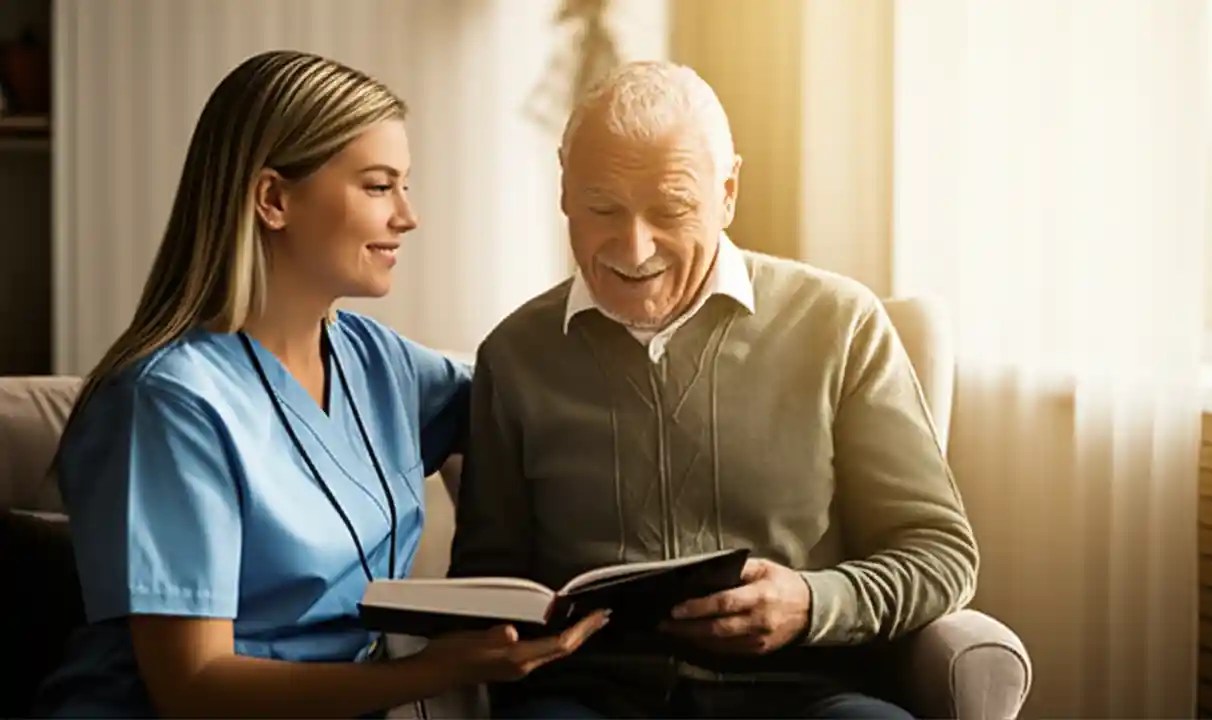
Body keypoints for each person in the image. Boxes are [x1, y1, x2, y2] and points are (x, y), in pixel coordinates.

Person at [33, 50, 607, 719]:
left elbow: (531, 399)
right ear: (273, 200)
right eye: (378, 186)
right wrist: (431, 672)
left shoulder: (377, 362)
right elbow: (192, 687)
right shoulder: (170, 403)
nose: (407, 216)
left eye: (405, 185)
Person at [449, 60, 980, 719]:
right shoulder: (514, 356)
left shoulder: (840, 324)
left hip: (805, 693)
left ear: (727, 192)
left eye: (671, 210)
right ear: (564, 189)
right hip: (587, 699)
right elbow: (485, 578)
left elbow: (940, 553)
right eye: (602, 208)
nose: (634, 249)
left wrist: (811, 602)